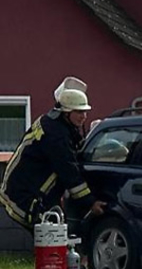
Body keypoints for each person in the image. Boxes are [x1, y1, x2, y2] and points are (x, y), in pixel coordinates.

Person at [0, 77, 105, 232]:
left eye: (84, 112)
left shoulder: (54, 123)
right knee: (50, 239)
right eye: (78, 112)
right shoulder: (56, 135)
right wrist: (90, 202)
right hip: (25, 196)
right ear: (66, 112)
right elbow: (68, 171)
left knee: (52, 240)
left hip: (21, 190)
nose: (83, 116)